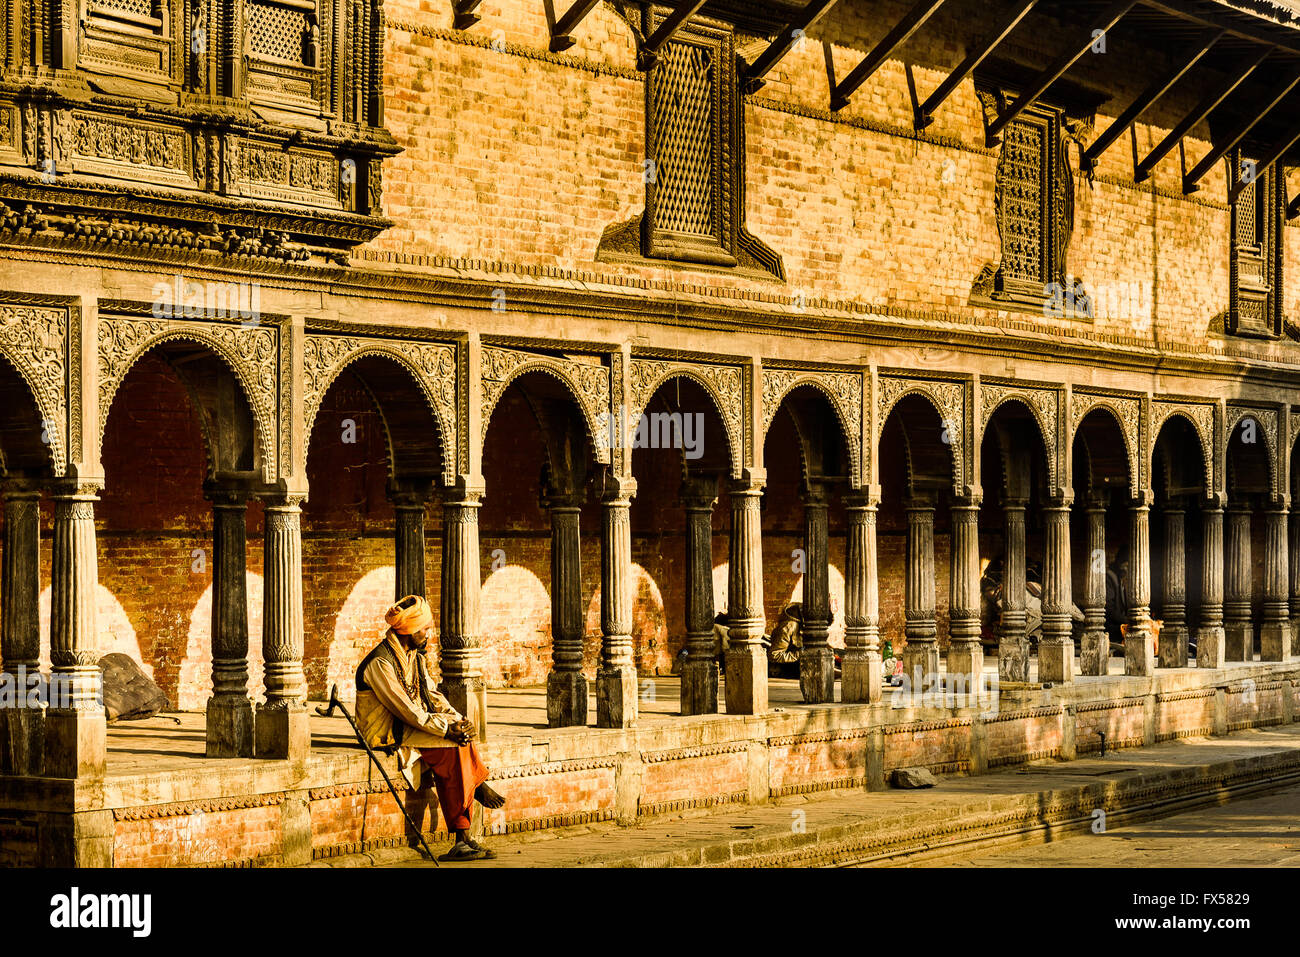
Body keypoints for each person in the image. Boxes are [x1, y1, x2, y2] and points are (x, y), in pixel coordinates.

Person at [355, 594, 507, 862]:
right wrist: (446, 731)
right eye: (425, 628)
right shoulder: (380, 663)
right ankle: (476, 788)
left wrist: (456, 720)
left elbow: (432, 696)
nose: (428, 634)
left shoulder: (415, 656)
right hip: (385, 731)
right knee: (453, 743)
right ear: (410, 629)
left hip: (409, 724)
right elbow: (405, 709)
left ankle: (464, 834)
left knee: (460, 739)